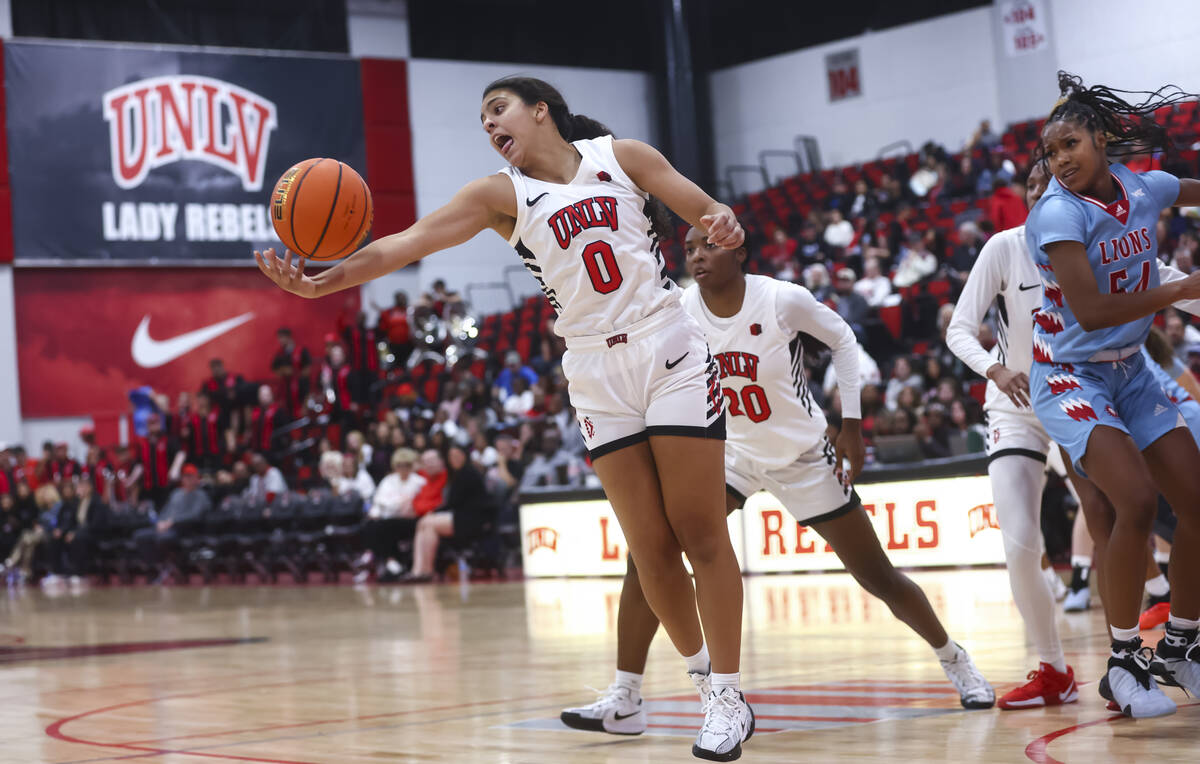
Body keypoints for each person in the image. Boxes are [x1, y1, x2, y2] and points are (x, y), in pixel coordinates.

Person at [256, 75, 752, 759]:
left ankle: (729, 691)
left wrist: (722, 218)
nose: (489, 126)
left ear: (540, 110)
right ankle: (706, 688)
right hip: (592, 370)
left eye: (498, 110)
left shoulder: (623, 156)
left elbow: (705, 211)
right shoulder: (499, 195)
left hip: (665, 345)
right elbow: (406, 243)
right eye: (482, 120)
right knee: (651, 550)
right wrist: (321, 281)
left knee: (699, 532)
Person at [560, 227, 994, 736]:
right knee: (648, 556)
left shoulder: (782, 299)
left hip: (802, 454)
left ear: (740, 251)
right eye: (691, 249)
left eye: (710, 246)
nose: (698, 256)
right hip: (726, 454)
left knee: (876, 574)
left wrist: (851, 425)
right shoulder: (678, 308)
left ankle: (953, 656)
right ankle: (626, 697)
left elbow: (844, 341)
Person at [1024, 72, 1200, 718]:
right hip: (1070, 373)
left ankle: (1181, 644)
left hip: (1129, 370)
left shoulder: (1144, 188)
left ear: (1101, 138)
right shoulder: (1056, 213)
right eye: (1052, 152)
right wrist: (1178, 292)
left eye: (1070, 143)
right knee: (1133, 499)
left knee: (1197, 499)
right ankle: (1123, 662)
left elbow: (1190, 191)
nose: (1061, 160)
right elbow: (1093, 310)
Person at [406, 445, 497, 582]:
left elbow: (453, 503)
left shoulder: (468, 473)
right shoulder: (458, 473)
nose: (454, 459)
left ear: (464, 456)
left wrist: (434, 512)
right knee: (423, 523)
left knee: (428, 523)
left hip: (472, 520)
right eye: (451, 456)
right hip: (460, 516)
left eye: (457, 455)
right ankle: (418, 570)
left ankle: (427, 570)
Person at [133, 464, 210, 584]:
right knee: (140, 536)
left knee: (164, 538)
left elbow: (195, 516)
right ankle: (156, 566)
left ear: (196, 478)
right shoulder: (176, 493)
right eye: (185, 477)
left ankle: (176, 566)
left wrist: (172, 522)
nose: (187, 479)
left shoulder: (201, 495)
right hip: (165, 528)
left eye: (190, 477)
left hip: (183, 530)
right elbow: (165, 511)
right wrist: (159, 523)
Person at [359, 448, 426, 582]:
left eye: (406, 465)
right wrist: (378, 511)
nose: (403, 468)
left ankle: (385, 559)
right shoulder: (388, 480)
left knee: (384, 526)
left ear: (412, 465)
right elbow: (379, 501)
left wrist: (393, 505)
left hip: (410, 520)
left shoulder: (419, 482)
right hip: (387, 518)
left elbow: (409, 505)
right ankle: (390, 562)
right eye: (399, 465)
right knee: (370, 524)